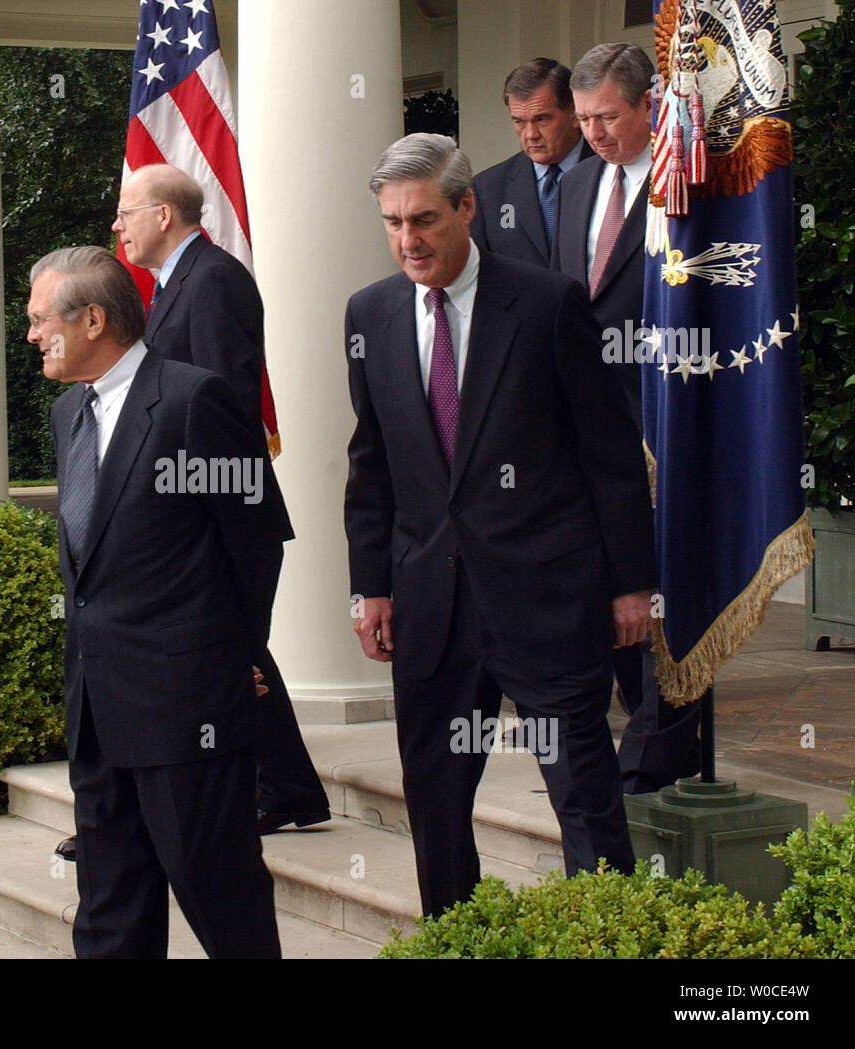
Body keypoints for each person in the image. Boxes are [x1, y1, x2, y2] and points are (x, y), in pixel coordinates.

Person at [344, 133, 656, 917]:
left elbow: (609, 455)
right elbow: (372, 464)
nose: (407, 241)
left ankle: (611, 934)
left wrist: (630, 586)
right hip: (430, 608)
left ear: (467, 207)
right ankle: (457, 936)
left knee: (583, 795)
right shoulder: (371, 315)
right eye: (392, 223)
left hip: (547, 599)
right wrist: (369, 587)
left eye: (423, 220)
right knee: (438, 802)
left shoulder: (548, 304)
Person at [32, 245, 286, 958]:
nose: (30, 335)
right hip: (96, 708)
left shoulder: (194, 398)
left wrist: (233, 658)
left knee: (219, 891)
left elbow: (257, 539)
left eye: (38, 319)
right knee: (109, 906)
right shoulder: (66, 414)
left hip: (187, 704)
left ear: (92, 319)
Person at [112, 162, 330, 835]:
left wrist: (196, 508)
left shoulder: (213, 282)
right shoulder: (176, 285)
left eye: (126, 209)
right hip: (202, 508)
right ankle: (288, 788)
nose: (117, 223)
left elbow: (226, 405)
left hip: (225, 511)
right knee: (237, 648)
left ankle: (281, 789)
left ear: (164, 216)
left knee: (232, 647)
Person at [556, 43, 701, 792]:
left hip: (666, 413)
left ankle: (655, 754)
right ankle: (638, 717)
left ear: (649, 105)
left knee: (671, 584)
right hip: (587, 420)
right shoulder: (579, 185)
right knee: (610, 580)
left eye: (608, 116)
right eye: (584, 119)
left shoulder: (690, 185)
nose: (595, 132)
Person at [470, 58, 595, 268]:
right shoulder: (487, 189)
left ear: (575, 114)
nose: (530, 135)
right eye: (519, 121)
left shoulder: (614, 174)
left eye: (542, 119)